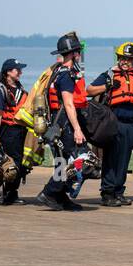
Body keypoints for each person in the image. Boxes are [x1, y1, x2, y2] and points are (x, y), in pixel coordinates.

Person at [89, 42, 133, 206]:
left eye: (129, 59)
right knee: (111, 158)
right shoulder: (109, 75)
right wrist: (106, 86)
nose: (125, 61)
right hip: (113, 123)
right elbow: (89, 90)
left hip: (131, 124)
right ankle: (107, 193)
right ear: (118, 58)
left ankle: (118, 192)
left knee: (124, 159)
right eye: (122, 58)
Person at [34, 32, 88, 212]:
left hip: (55, 123)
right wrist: (77, 129)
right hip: (64, 122)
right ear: (73, 53)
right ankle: (50, 192)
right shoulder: (66, 75)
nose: (79, 54)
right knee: (81, 160)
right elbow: (68, 104)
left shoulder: (56, 71)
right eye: (77, 51)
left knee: (61, 161)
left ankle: (61, 197)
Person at [0, 58, 30, 205]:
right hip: (8, 130)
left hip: (20, 129)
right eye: (17, 70)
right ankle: (9, 194)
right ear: (8, 72)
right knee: (12, 163)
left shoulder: (19, 88)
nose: (20, 72)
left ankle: (12, 192)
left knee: (20, 162)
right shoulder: (0, 90)